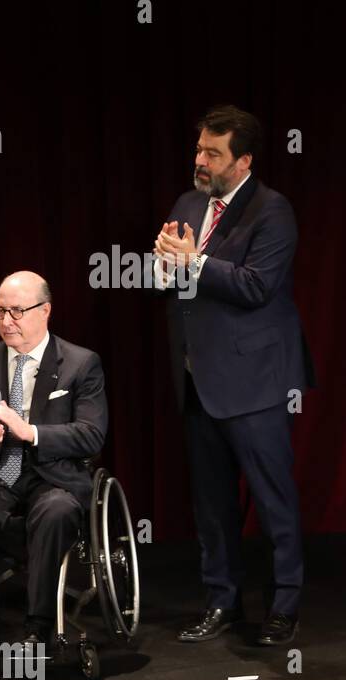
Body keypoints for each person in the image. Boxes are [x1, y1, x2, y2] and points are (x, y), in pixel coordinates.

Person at [152, 105, 314, 646]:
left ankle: (284, 604)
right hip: (198, 378)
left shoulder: (272, 211)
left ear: (242, 160)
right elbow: (174, 286)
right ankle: (220, 600)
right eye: (199, 148)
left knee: (272, 500)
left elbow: (254, 286)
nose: (200, 160)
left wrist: (192, 263)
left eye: (212, 153)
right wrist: (162, 267)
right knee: (212, 505)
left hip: (256, 381)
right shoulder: (186, 203)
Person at [0, 272, 108, 645]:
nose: (6, 321)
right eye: (0, 311)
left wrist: (29, 432)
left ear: (45, 310)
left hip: (53, 477)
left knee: (55, 511)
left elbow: (91, 433)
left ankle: (39, 622)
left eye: (17, 311)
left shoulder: (80, 364)